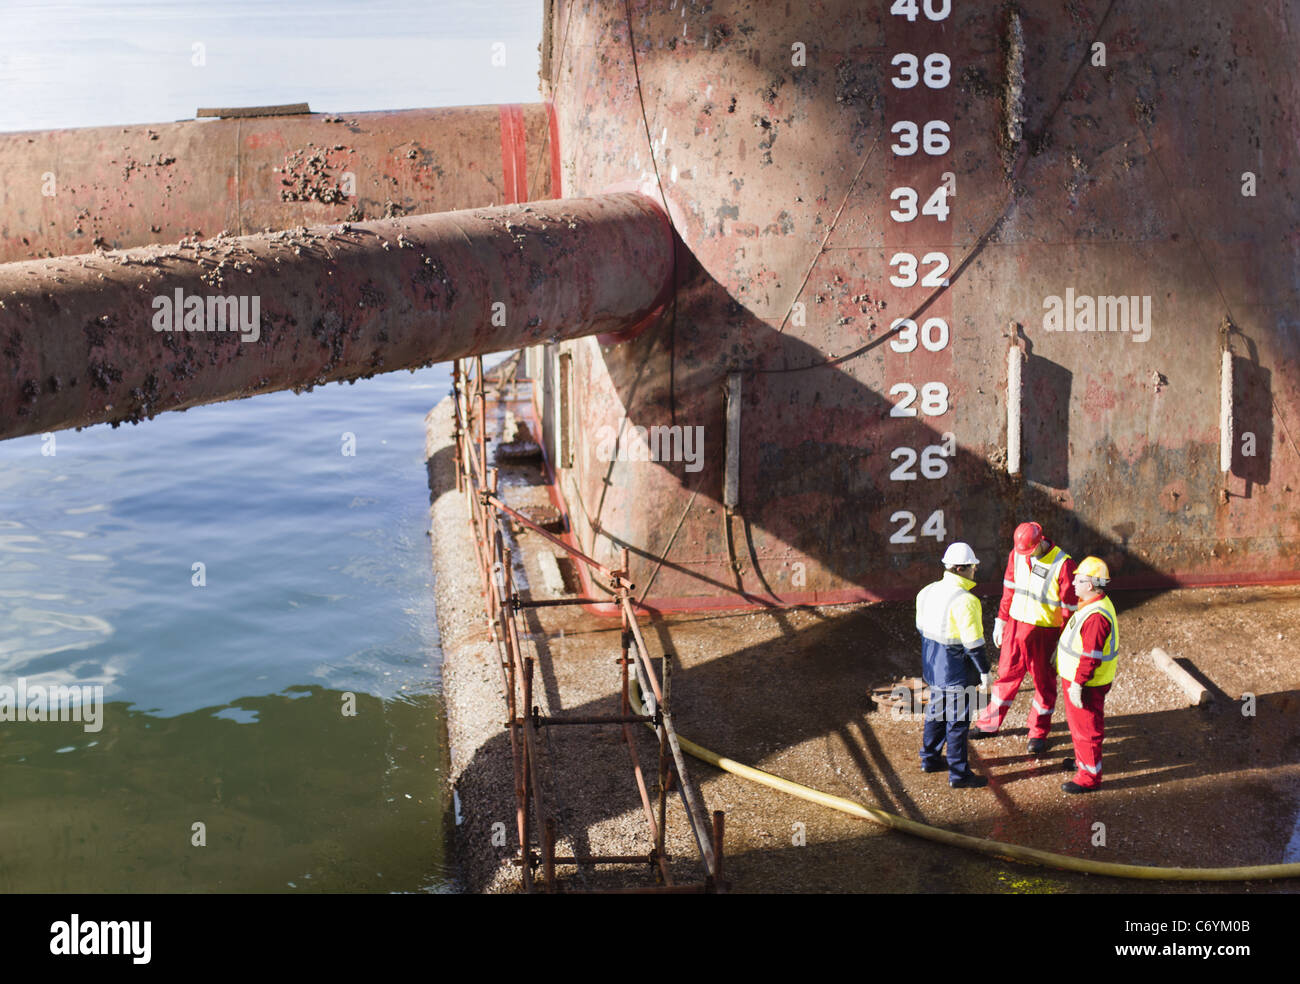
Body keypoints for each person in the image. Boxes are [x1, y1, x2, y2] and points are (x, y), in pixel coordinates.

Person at [970, 521, 1077, 754]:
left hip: (1044, 632)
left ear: (1040, 541)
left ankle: (1038, 733)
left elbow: (1070, 608)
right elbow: (1009, 587)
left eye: (1028, 551)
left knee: (1043, 684)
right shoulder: (1017, 554)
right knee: (1006, 675)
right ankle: (989, 724)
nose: (1025, 555)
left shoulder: (1063, 564)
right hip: (1016, 627)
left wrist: (1063, 642)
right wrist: (1001, 620)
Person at [915, 542, 991, 789]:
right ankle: (959, 775)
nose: (975, 571)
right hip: (957, 672)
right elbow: (974, 644)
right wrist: (985, 672)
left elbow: (921, 629)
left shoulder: (926, 592)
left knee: (936, 714)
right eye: (972, 567)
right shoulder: (967, 601)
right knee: (958, 723)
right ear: (960, 568)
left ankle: (929, 759)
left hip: (933, 668)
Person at [1056, 557, 1119, 793]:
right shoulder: (1093, 605)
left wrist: (1078, 684)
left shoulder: (1095, 616)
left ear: (1090, 585)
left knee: (1087, 729)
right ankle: (1084, 763)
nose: (1073, 583)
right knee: (1079, 726)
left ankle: (1089, 777)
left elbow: (1090, 656)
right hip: (1081, 680)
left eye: (1078, 580)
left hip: (1087, 683)